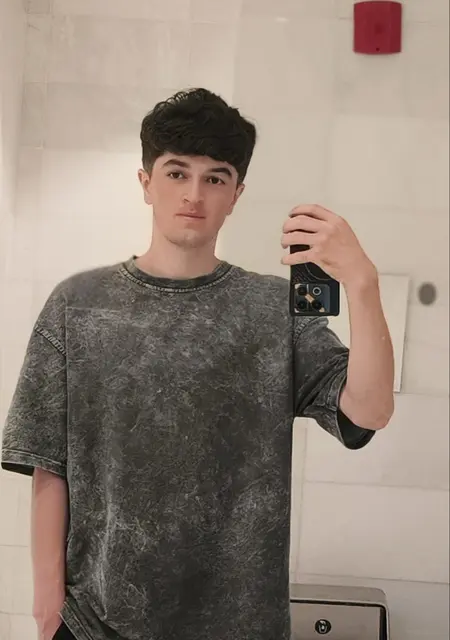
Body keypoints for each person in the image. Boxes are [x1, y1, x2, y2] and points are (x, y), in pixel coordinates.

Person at [1, 88, 394, 640]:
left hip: (240, 627)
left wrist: (362, 282)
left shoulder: (272, 311)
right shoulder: (78, 305)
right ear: (146, 182)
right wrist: (47, 609)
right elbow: (48, 461)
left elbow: (369, 412)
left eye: (215, 178)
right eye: (176, 172)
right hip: (97, 623)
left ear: (236, 195)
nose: (193, 193)